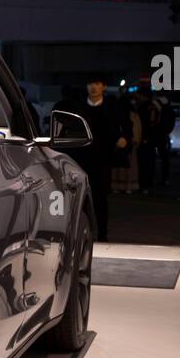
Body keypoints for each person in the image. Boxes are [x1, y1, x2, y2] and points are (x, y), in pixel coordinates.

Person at [60, 79, 130, 242]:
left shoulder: (112, 107)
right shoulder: (78, 107)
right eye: (90, 83)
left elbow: (125, 126)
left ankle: (102, 234)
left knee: (100, 197)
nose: (93, 87)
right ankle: (80, 234)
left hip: (102, 158)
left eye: (97, 84)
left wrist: (124, 138)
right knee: (78, 196)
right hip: (81, 157)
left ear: (104, 87)